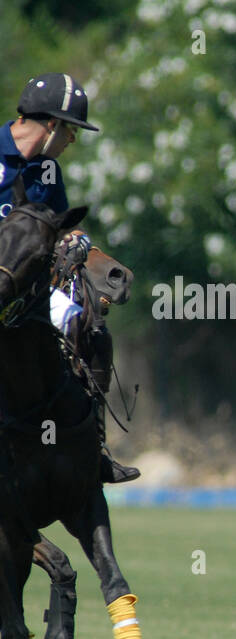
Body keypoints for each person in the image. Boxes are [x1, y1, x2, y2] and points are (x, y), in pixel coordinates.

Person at [0, 72, 137, 483]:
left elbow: (61, 227)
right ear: (52, 125)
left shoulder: (47, 172)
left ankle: (93, 449)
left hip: (25, 295)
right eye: (71, 131)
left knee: (88, 325)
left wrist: (82, 245)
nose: (72, 142)